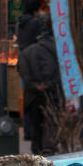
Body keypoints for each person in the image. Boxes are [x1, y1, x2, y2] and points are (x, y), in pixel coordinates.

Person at [18, 20, 59, 154]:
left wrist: (35, 85)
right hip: (52, 91)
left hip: (33, 94)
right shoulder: (55, 47)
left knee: (36, 123)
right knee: (51, 121)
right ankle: (49, 146)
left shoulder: (25, 52)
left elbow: (24, 73)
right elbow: (59, 70)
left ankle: (37, 148)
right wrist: (49, 83)